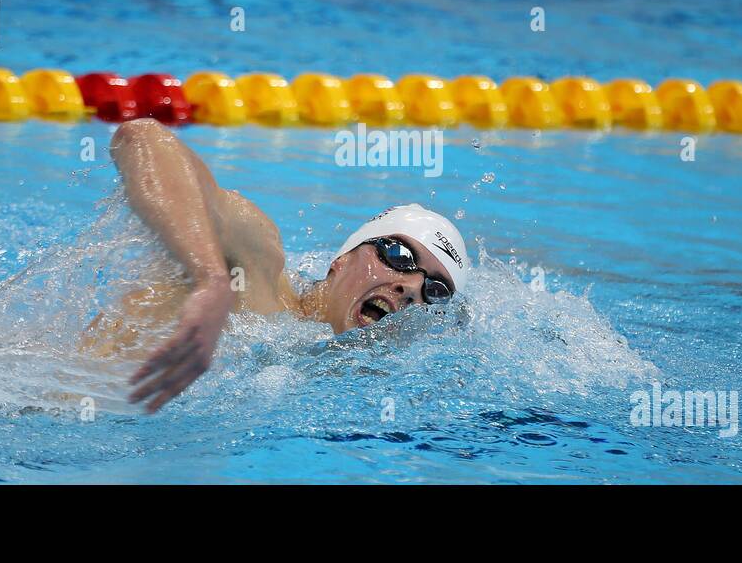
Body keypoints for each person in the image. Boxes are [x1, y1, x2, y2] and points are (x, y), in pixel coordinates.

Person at [81, 118, 469, 413]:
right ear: (342, 259)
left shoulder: (338, 375)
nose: (411, 287)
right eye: (399, 256)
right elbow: (141, 137)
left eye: (434, 291)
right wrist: (210, 278)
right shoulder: (256, 267)